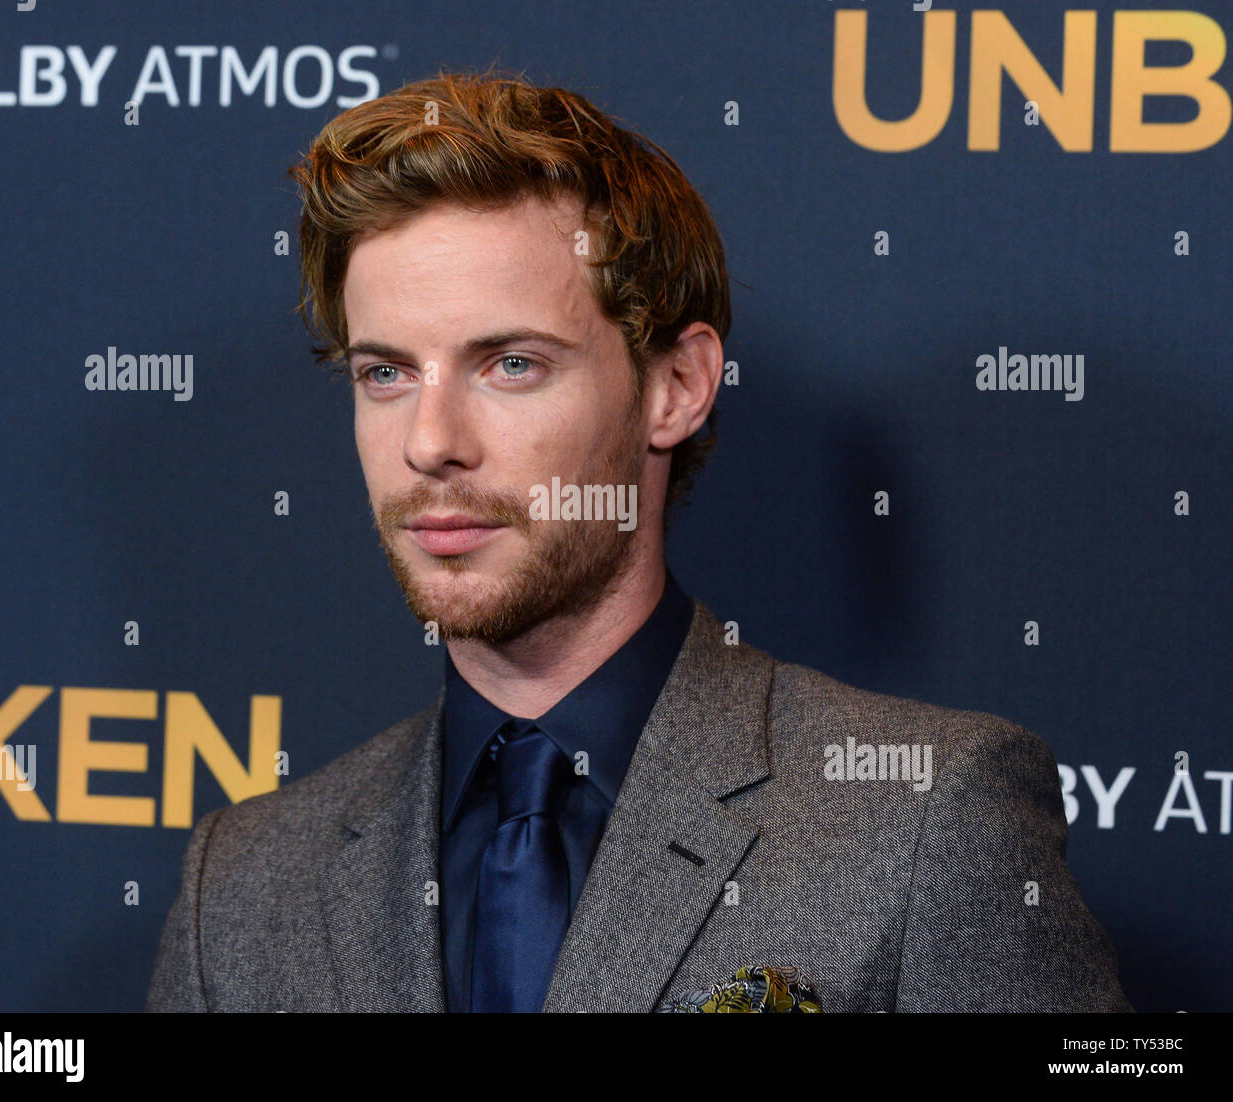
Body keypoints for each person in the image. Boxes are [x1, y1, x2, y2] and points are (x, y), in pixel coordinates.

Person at [146, 68, 1132, 1013]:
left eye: (513, 363)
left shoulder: (922, 819)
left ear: (677, 387)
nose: (429, 443)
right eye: (385, 374)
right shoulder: (242, 882)